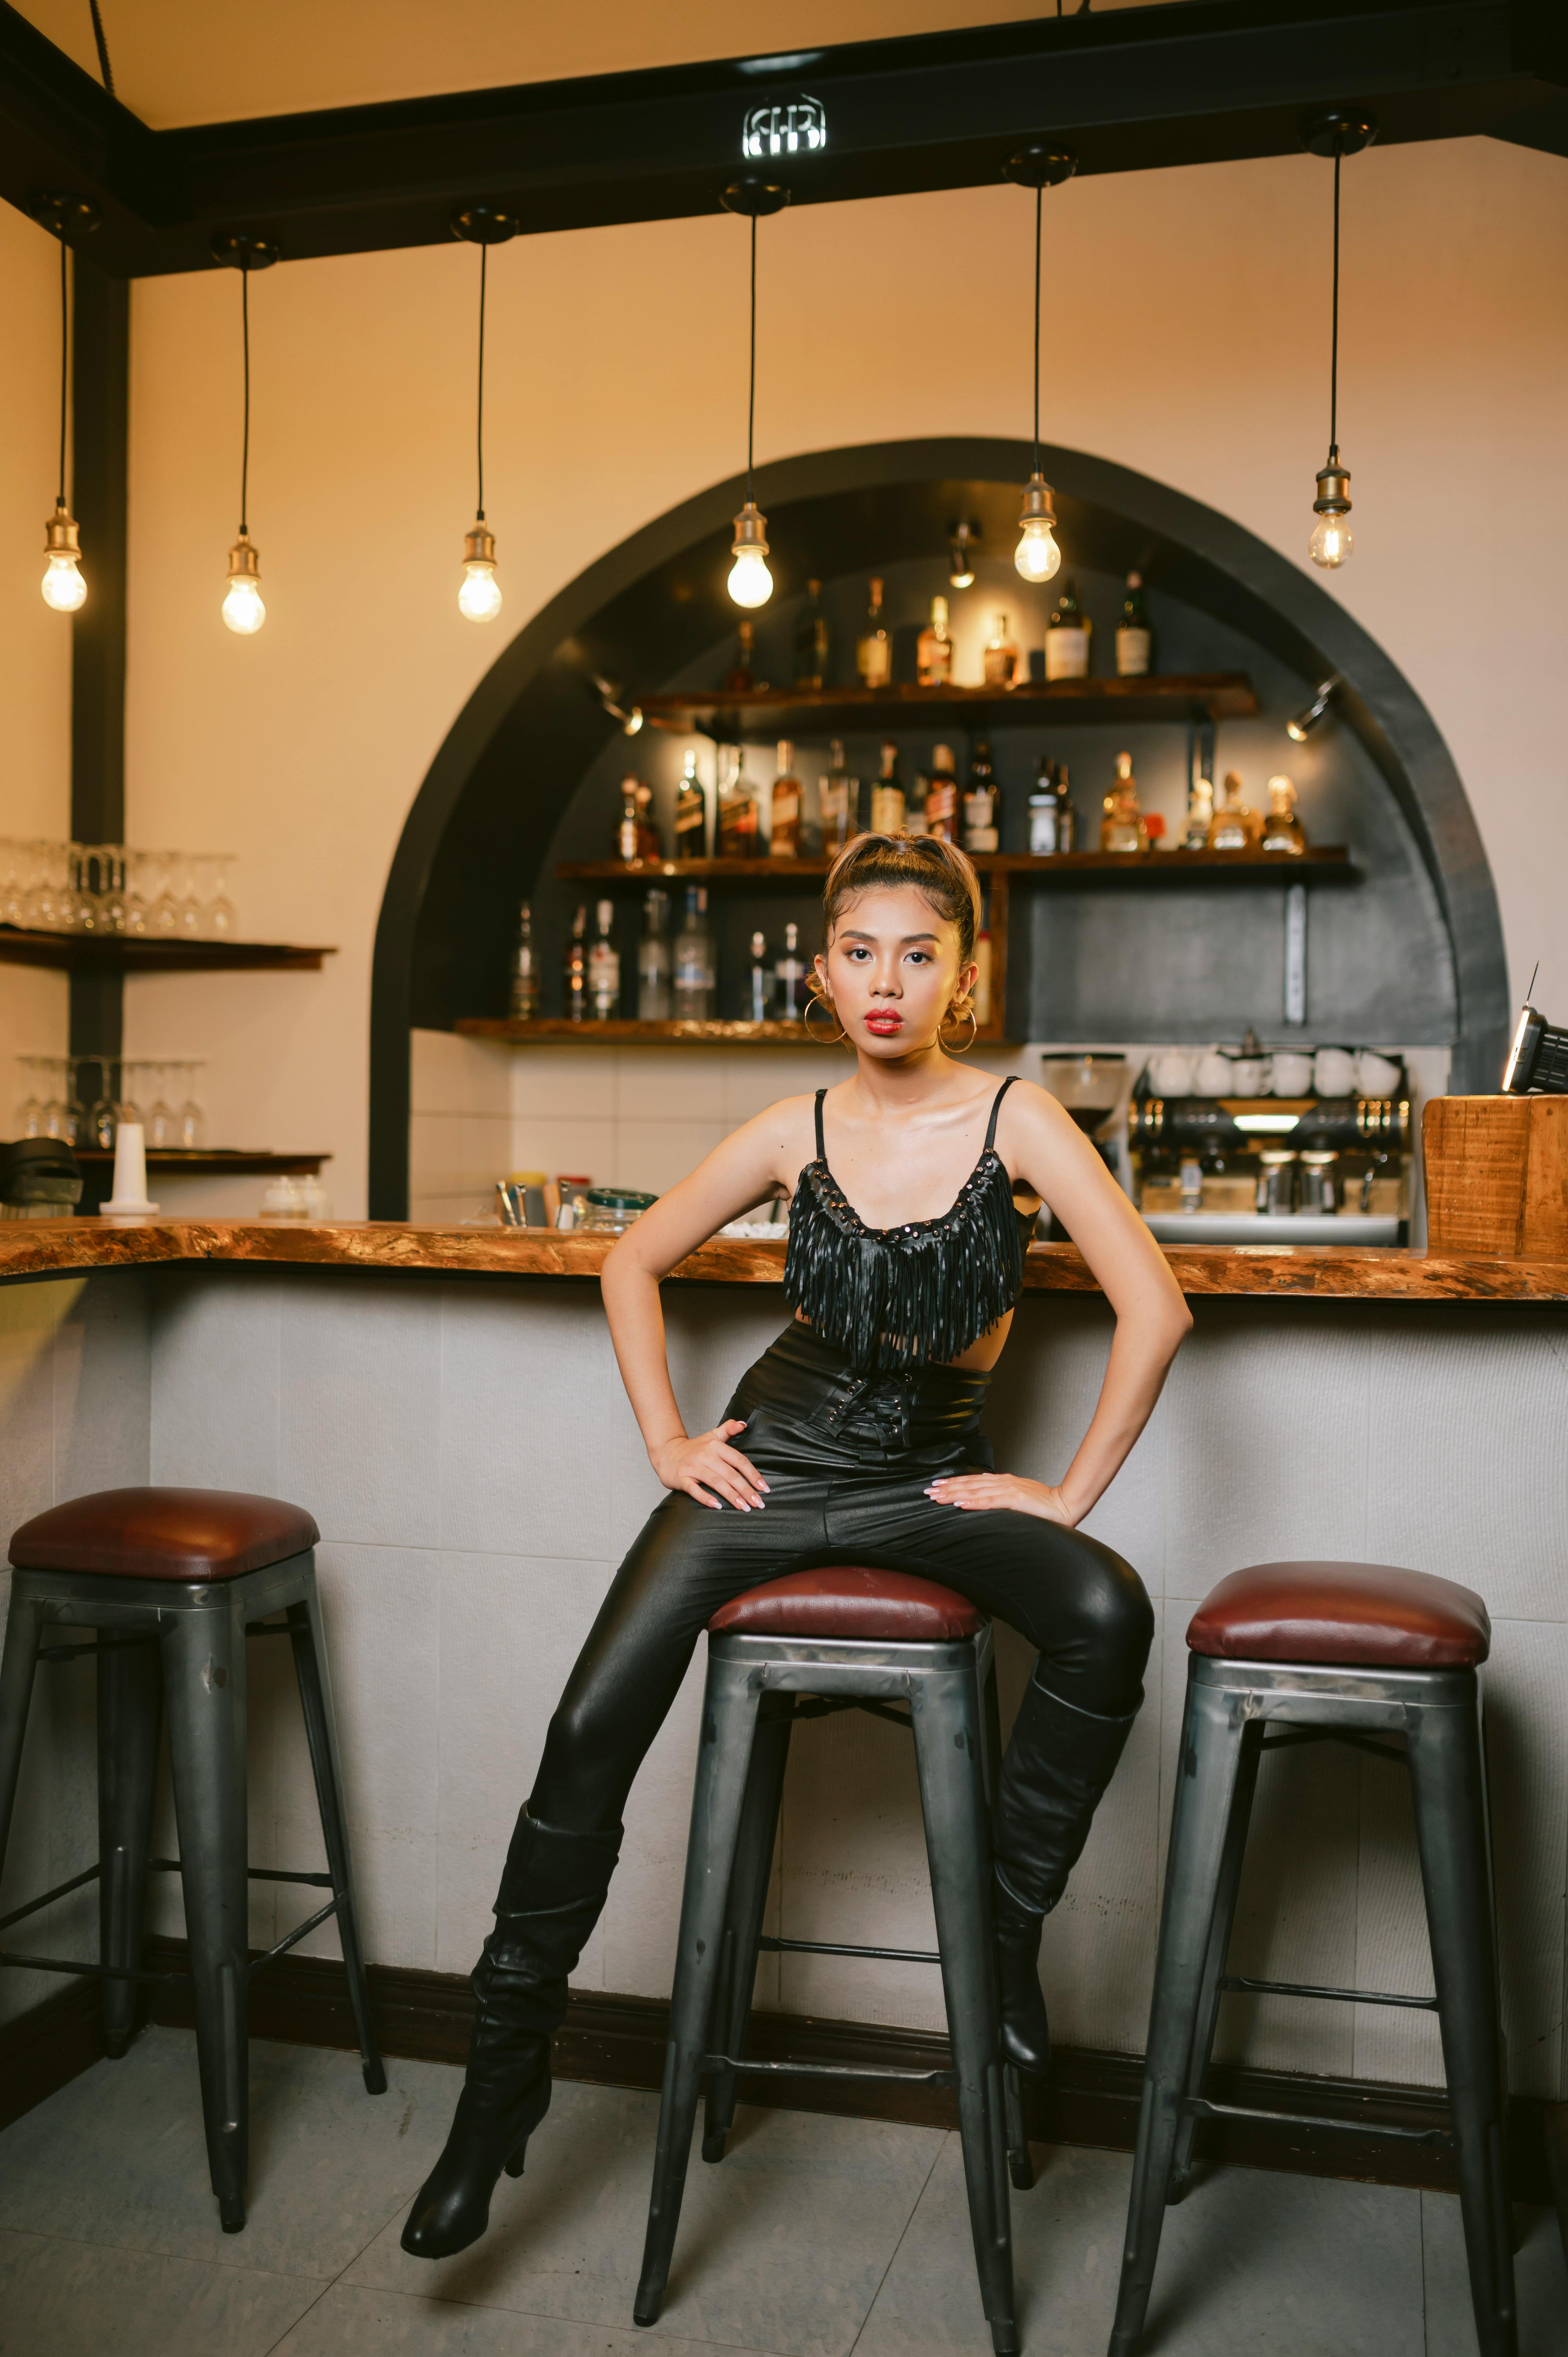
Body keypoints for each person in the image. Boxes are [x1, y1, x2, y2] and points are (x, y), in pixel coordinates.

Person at [403, 830, 1192, 2260]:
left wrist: (1065, 1494)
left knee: (1107, 1611)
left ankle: (1002, 1938)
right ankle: (498, 2091)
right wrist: (668, 1441)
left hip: (927, 1486)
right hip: (768, 1469)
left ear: (964, 970)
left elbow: (1157, 1305)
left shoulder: (1022, 1119)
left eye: (919, 953)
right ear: (823, 972)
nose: (887, 983)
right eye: (860, 953)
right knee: (587, 1729)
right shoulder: (789, 1130)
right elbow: (629, 1259)